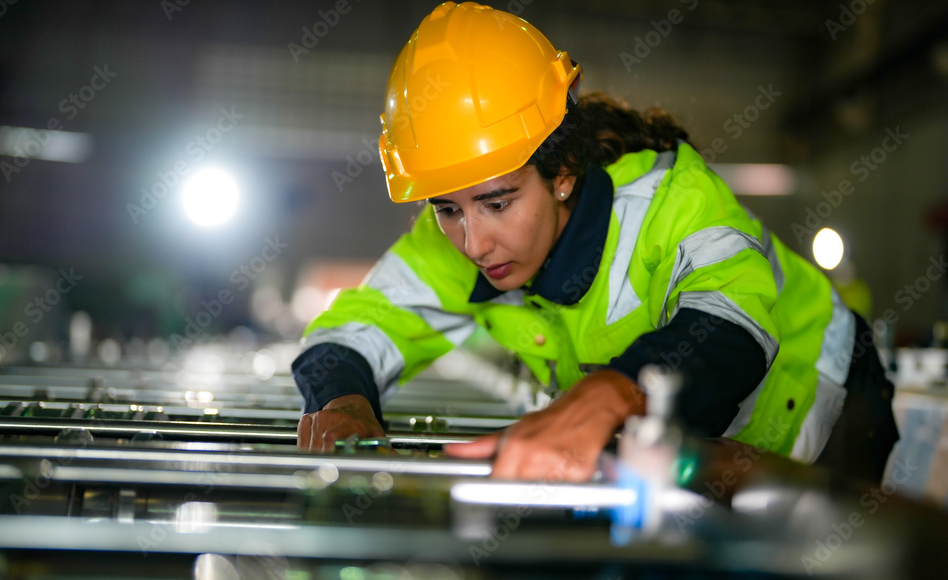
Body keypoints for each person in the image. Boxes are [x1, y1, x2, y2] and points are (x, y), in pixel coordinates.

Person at [292, 1, 898, 483]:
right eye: (447, 208)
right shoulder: (447, 243)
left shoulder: (673, 200)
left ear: (563, 172)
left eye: (497, 203)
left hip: (833, 401)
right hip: (692, 449)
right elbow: (346, 335)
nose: (473, 242)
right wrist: (343, 402)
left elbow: (731, 324)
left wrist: (610, 392)